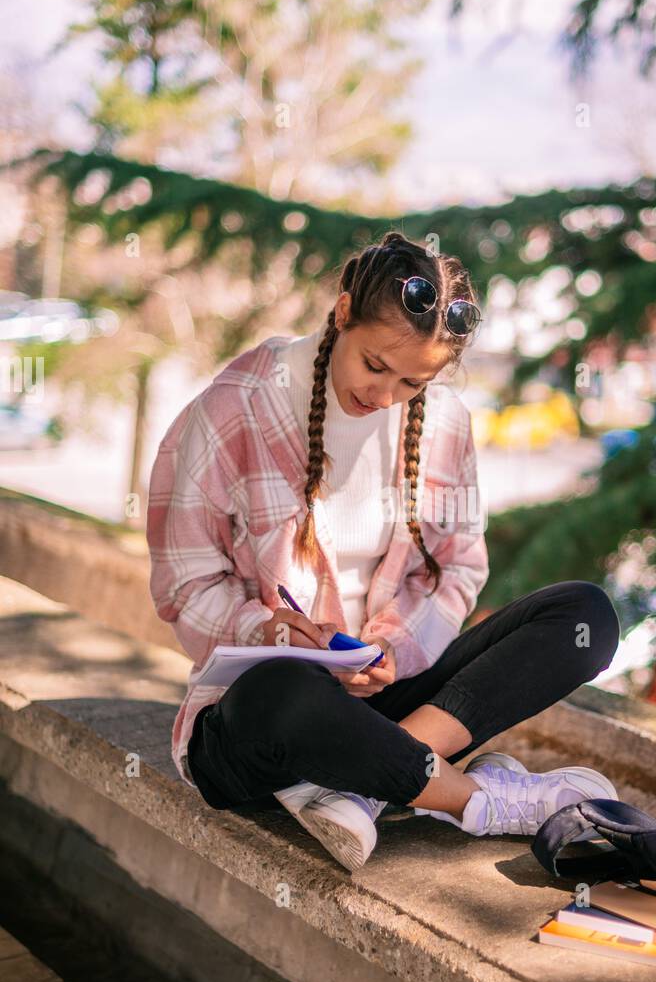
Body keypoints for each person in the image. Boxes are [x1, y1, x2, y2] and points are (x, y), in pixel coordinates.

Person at [146, 230, 622, 870]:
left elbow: (459, 568)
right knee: (285, 693)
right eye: (374, 365)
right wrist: (270, 630)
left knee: (585, 615)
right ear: (343, 313)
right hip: (266, 725)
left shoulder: (446, 423)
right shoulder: (235, 409)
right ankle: (476, 801)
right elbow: (185, 585)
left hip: (387, 694)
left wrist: (400, 646)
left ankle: (363, 780)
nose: (385, 396)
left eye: (411, 382)